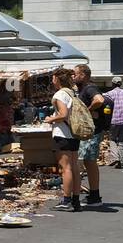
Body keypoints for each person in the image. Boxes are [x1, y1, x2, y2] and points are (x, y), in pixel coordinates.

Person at [46, 68, 82, 213]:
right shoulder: (72, 92)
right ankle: (76, 200)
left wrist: (51, 119)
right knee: (74, 167)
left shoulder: (60, 94)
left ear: (57, 79)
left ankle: (66, 200)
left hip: (63, 134)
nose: (52, 80)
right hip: (73, 134)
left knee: (65, 168)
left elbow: (63, 114)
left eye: (53, 78)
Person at [73, 64, 108, 207]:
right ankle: (93, 194)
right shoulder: (83, 89)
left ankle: (94, 196)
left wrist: (86, 111)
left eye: (75, 74)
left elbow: (100, 100)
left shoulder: (89, 88)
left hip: (91, 132)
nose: (73, 77)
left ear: (83, 75)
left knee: (88, 161)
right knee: (88, 161)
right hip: (91, 131)